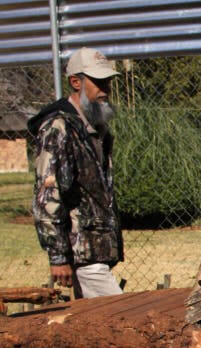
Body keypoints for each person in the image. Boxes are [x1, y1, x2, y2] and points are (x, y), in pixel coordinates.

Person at [28, 47, 124, 298]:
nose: (105, 90)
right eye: (98, 82)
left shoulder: (95, 129)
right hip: (81, 252)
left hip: (96, 251)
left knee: (101, 318)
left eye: (107, 82)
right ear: (75, 82)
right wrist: (58, 256)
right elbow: (47, 194)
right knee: (122, 314)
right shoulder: (58, 128)